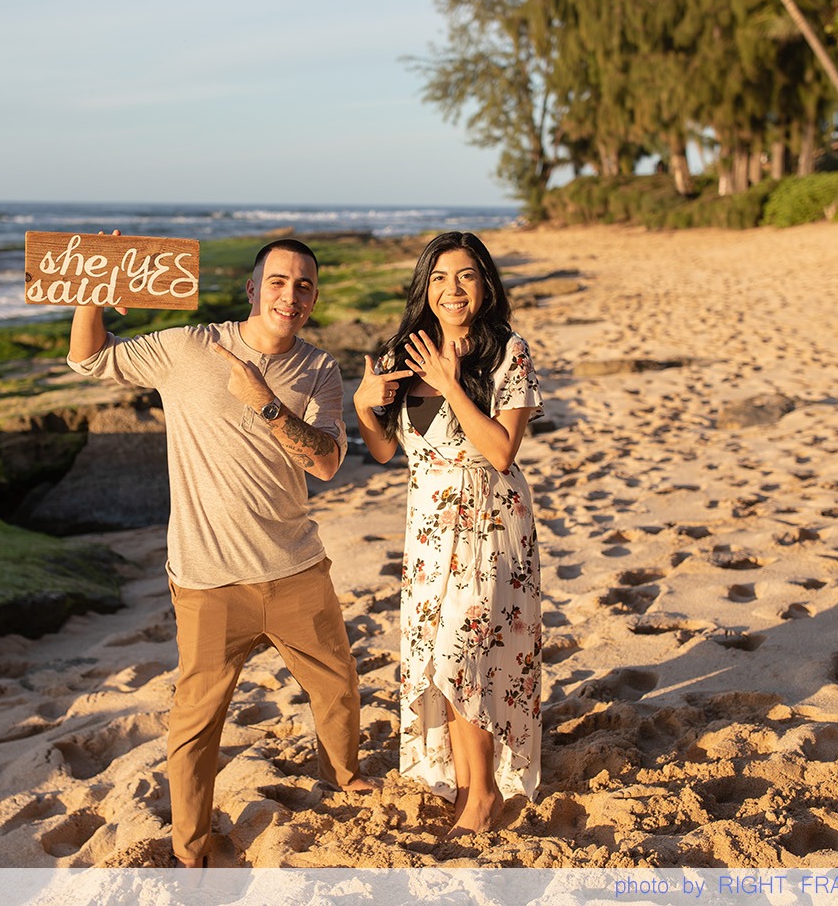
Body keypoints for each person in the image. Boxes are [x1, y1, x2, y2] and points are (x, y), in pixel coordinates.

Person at [67, 235, 376, 868]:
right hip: (208, 580)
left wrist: (262, 399)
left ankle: (344, 779)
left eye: (304, 286)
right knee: (195, 724)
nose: (290, 296)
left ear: (314, 297)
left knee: (339, 686)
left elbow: (326, 463)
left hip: (294, 569)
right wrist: (94, 294)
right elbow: (89, 358)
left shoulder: (317, 368)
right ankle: (190, 847)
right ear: (253, 287)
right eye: (279, 282)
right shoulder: (186, 347)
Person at [352, 230, 542, 837]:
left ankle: (483, 795)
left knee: (467, 656)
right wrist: (362, 407)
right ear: (424, 288)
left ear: (485, 285)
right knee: (439, 659)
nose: (451, 290)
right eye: (438, 278)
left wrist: (453, 381)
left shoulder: (507, 353)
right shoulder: (405, 353)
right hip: (429, 526)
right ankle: (466, 787)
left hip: (489, 520)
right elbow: (386, 451)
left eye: (464, 276)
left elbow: (502, 451)